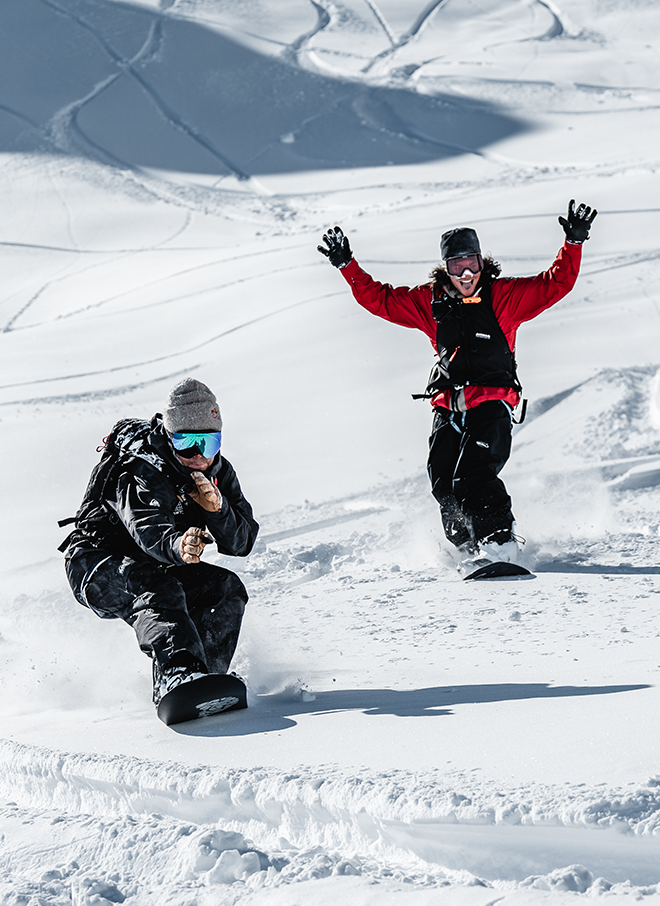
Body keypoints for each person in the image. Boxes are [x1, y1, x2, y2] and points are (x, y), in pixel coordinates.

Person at [317, 200, 597, 559]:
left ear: (482, 262)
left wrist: (573, 243)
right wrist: (347, 265)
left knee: (474, 474)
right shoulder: (429, 302)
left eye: (471, 264)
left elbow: (554, 284)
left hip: (491, 402)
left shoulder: (504, 297)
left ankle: (498, 544)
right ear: (445, 268)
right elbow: (381, 300)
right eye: (456, 266)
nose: (466, 274)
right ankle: (468, 549)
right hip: (448, 406)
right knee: (443, 482)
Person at [61, 377, 259, 709]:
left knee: (224, 587)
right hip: (95, 562)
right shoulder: (142, 469)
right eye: (186, 443)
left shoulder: (218, 472)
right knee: (159, 589)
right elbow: (148, 530)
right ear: (169, 437)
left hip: (156, 564)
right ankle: (176, 675)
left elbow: (243, 542)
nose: (198, 455)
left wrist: (218, 510)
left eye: (208, 443)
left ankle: (205, 679)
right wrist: (179, 545)